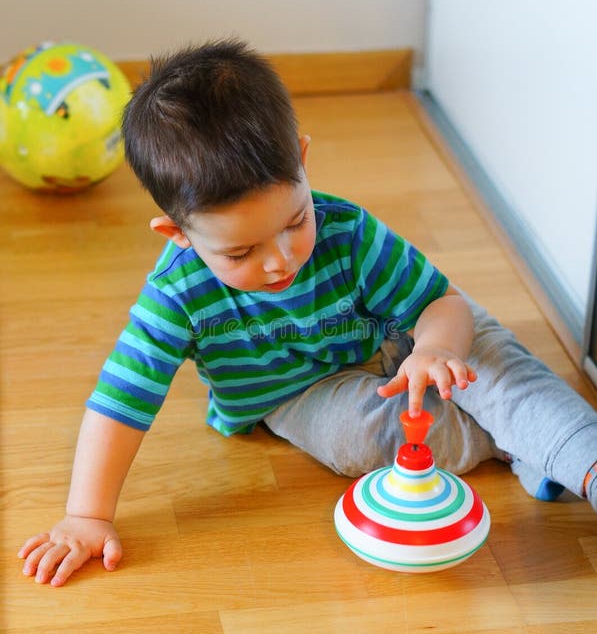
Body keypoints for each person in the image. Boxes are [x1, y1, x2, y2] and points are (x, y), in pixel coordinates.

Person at [18, 40, 597, 587]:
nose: (281, 258)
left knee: (491, 360)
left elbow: (437, 304)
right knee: (357, 441)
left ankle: (580, 455)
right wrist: (86, 516)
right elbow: (120, 403)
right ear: (179, 235)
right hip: (295, 393)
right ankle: (519, 440)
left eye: (295, 221)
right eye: (242, 252)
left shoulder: (347, 230)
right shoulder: (175, 296)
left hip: (394, 334)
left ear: (302, 160)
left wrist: (438, 349)